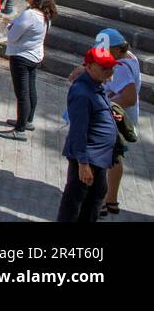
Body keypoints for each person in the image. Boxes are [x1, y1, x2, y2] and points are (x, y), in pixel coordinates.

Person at [57, 47, 120, 223]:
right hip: (88, 159)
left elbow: (94, 112)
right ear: (90, 66)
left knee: (95, 199)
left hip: (98, 158)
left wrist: (110, 116)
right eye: (104, 68)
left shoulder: (95, 85)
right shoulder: (82, 93)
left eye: (111, 68)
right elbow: (78, 131)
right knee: (74, 205)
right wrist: (83, 164)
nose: (109, 73)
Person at [82, 29, 141, 216]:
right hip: (123, 117)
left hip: (115, 117)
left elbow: (130, 97)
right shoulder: (131, 57)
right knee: (114, 158)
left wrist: (103, 103)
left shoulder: (120, 67)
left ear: (116, 49)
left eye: (105, 49)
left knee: (106, 159)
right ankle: (111, 200)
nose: (102, 54)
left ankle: (102, 202)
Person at [4, 0, 57, 138]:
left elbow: (12, 36)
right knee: (31, 90)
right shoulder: (45, 14)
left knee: (22, 94)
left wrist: (9, 25)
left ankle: (20, 130)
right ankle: (27, 120)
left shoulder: (29, 15)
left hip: (21, 56)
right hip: (34, 56)